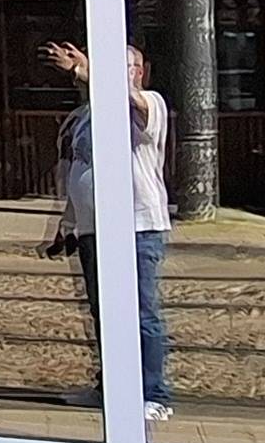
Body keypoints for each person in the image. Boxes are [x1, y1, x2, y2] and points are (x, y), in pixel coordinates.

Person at [48, 41, 174, 419]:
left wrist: (87, 71)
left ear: (137, 72)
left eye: (120, 67)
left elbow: (132, 102)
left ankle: (153, 394)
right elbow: (77, 169)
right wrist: (68, 224)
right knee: (104, 313)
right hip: (93, 229)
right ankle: (113, 390)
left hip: (137, 226)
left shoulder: (149, 104)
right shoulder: (85, 117)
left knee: (141, 313)